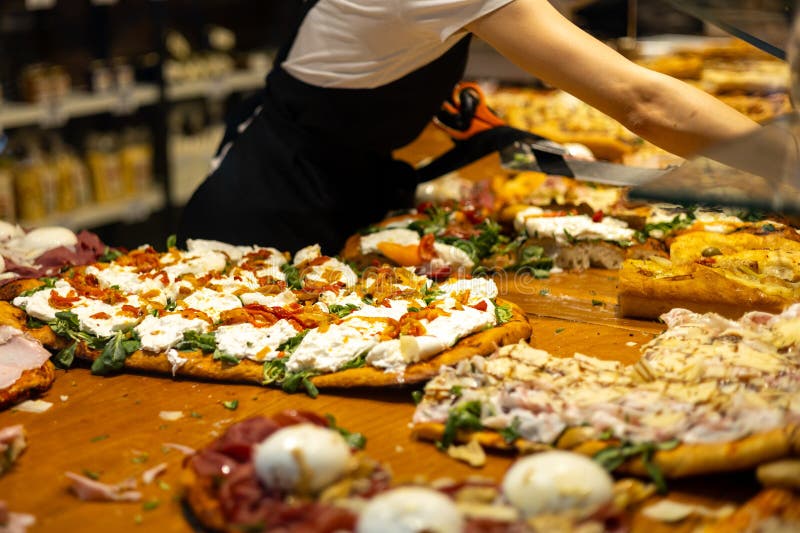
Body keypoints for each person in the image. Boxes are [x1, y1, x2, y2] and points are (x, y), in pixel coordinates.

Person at [178, 0, 758, 254]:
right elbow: (643, 102)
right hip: (262, 212)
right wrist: (783, 165)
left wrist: (435, 98)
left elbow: (379, 43)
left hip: (325, 179)